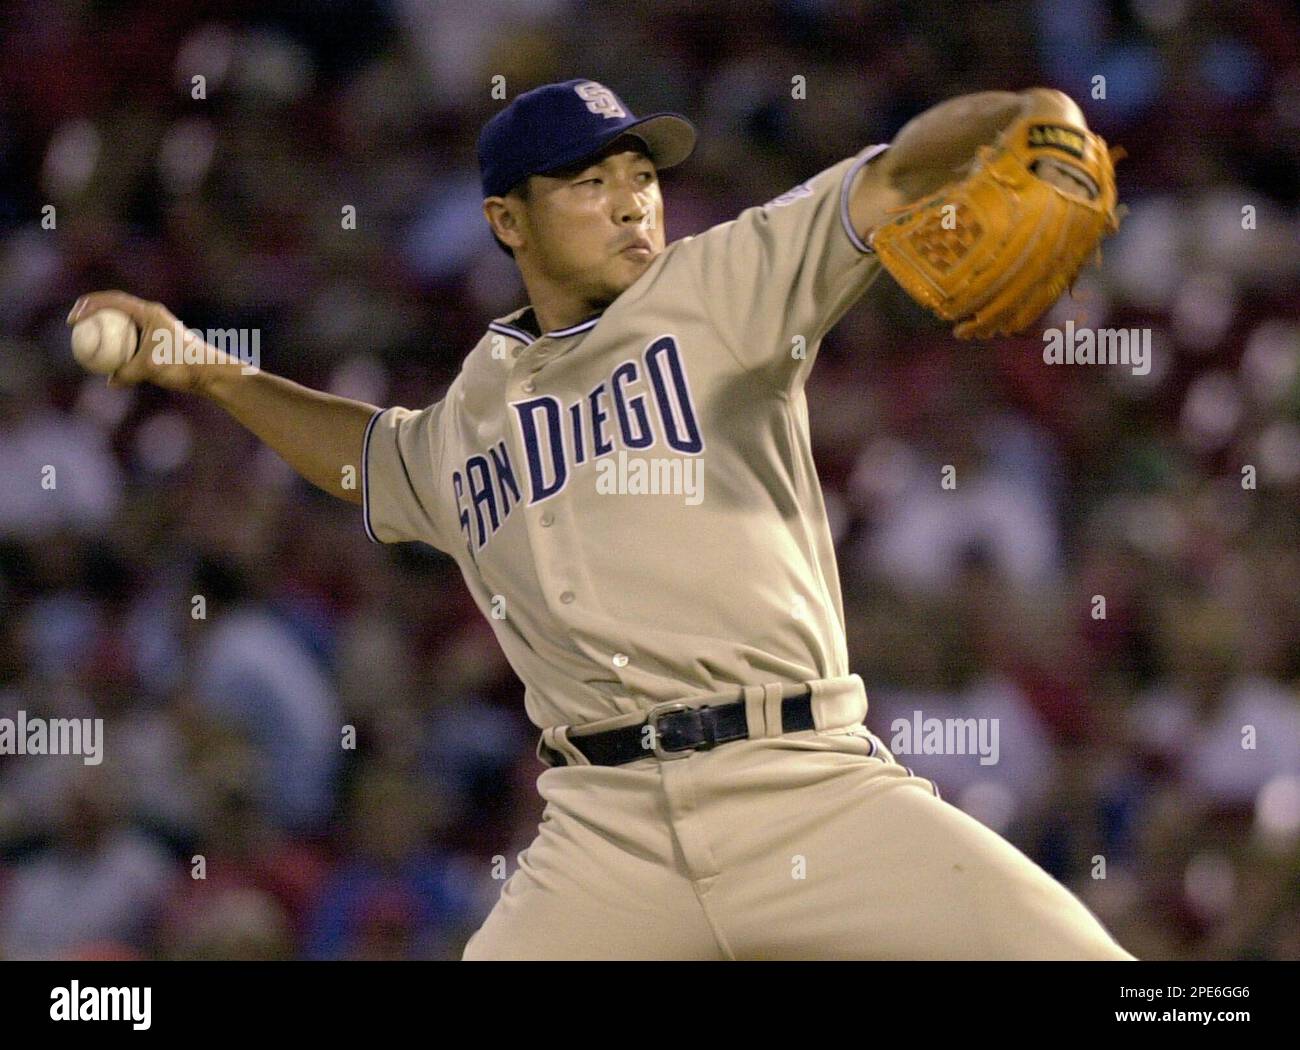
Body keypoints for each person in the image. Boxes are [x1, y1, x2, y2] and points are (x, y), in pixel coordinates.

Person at [68, 78, 1134, 960]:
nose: (632, 203)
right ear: (505, 221)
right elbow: (369, 462)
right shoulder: (470, 413)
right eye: (589, 181)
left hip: (803, 783)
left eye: (640, 178)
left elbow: (897, 169)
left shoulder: (721, 286)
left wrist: (1020, 110)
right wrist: (197, 367)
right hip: (604, 838)